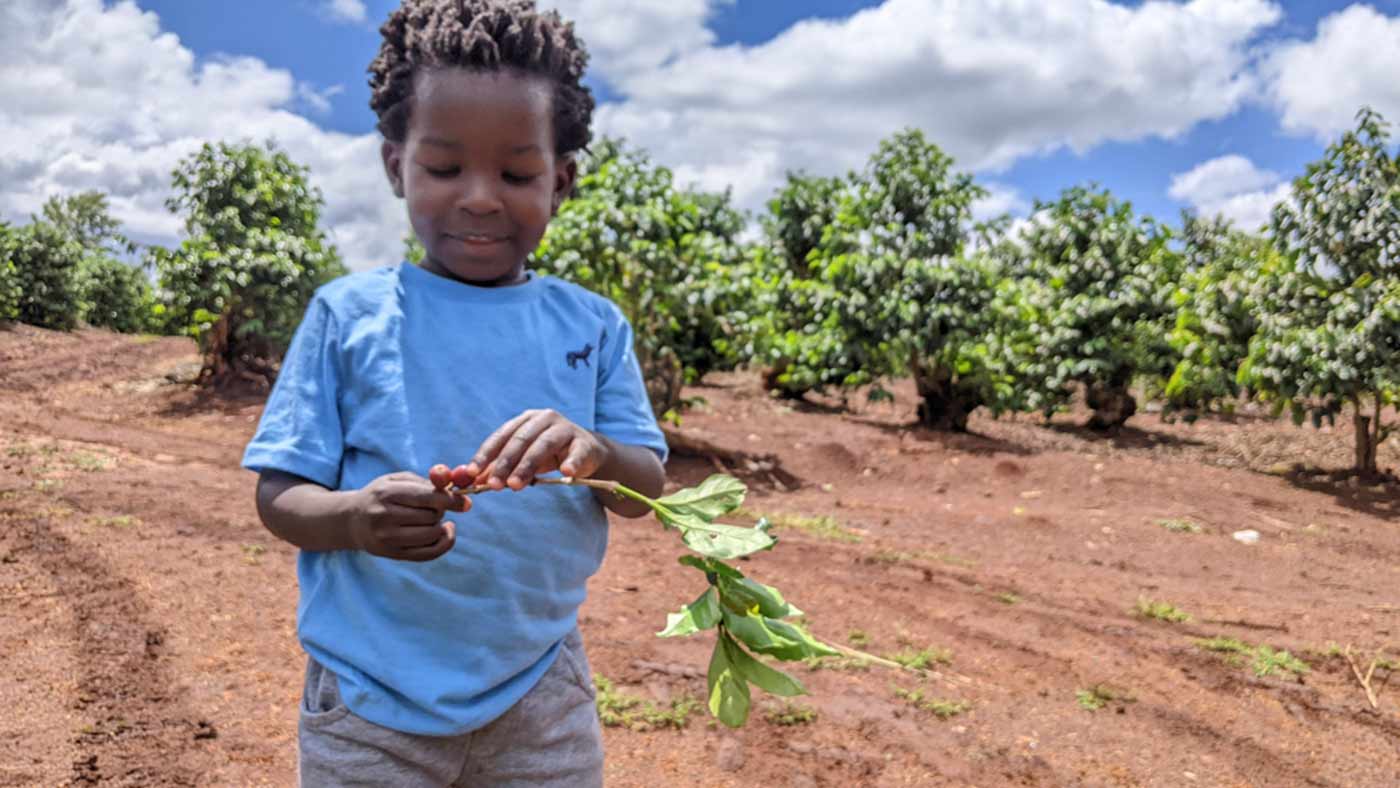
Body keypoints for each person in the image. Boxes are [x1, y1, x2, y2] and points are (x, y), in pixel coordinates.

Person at [241, 2, 667, 785]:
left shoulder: (595, 327)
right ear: (395, 166)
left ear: (561, 181)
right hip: (371, 703)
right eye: (444, 169)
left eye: (515, 173)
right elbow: (280, 495)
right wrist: (355, 518)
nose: (479, 197)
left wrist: (596, 451)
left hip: (541, 690)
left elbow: (644, 493)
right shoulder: (347, 315)